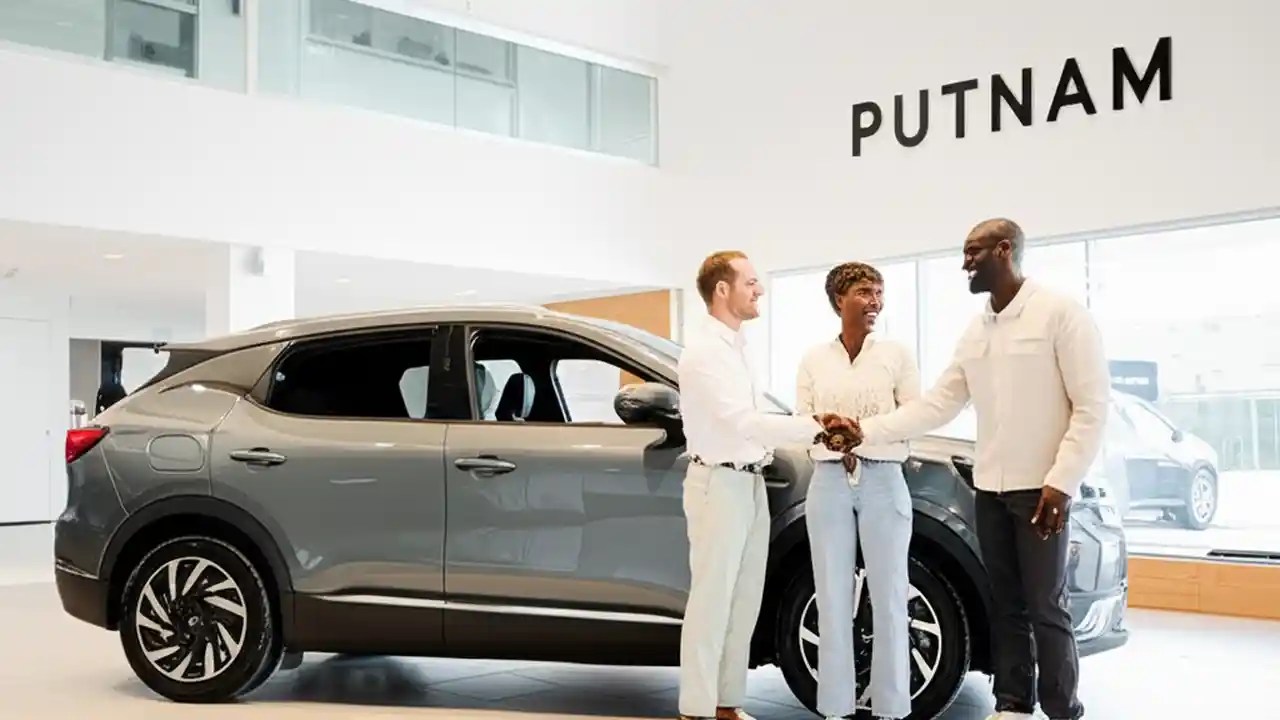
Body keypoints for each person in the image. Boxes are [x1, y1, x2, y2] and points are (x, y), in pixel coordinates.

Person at [849, 218, 1109, 720]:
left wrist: (1062, 481)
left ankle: (1063, 708)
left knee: (1046, 606)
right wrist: (868, 430)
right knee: (1005, 602)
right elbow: (939, 404)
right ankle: (1012, 703)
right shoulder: (977, 329)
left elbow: (1092, 406)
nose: (964, 262)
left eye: (973, 252)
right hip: (989, 488)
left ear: (1004, 250)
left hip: (1042, 491)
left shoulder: (1060, 314)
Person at [677, 250, 856, 720]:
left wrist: (808, 424)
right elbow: (742, 422)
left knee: (744, 599)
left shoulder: (738, 348)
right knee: (712, 601)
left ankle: (726, 705)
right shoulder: (704, 353)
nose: (760, 290)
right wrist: (814, 427)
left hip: (749, 483)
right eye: (751, 282)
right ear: (723, 289)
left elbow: (755, 420)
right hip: (719, 482)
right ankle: (695, 709)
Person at [795, 262, 920, 720]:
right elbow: (802, 418)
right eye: (865, 292)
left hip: (884, 479)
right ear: (839, 299)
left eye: (880, 293)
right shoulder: (813, 358)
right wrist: (829, 435)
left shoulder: (897, 354)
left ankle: (892, 709)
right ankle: (835, 708)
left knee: (889, 596)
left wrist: (862, 432)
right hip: (828, 481)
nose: (875, 301)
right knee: (830, 597)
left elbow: (912, 417)